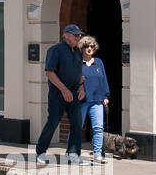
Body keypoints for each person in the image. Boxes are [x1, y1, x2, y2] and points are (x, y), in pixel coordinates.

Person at [35, 24, 86, 164]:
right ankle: (41, 151)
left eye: (79, 35)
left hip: (74, 92)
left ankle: (73, 153)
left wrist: (81, 88)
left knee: (77, 123)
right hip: (57, 93)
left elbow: (79, 74)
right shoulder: (55, 50)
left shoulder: (78, 52)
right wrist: (64, 90)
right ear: (66, 35)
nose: (78, 37)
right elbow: (49, 72)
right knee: (53, 122)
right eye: (75, 35)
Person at [79, 35, 110, 163]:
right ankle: (72, 152)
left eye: (92, 46)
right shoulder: (77, 62)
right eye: (87, 46)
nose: (90, 48)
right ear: (82, 48)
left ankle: (97, 154)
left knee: (98, 128)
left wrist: (105, 95)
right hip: (82, 100)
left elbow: (103, 79)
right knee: (77, 126)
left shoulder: (99, 62)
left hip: (97, 99)